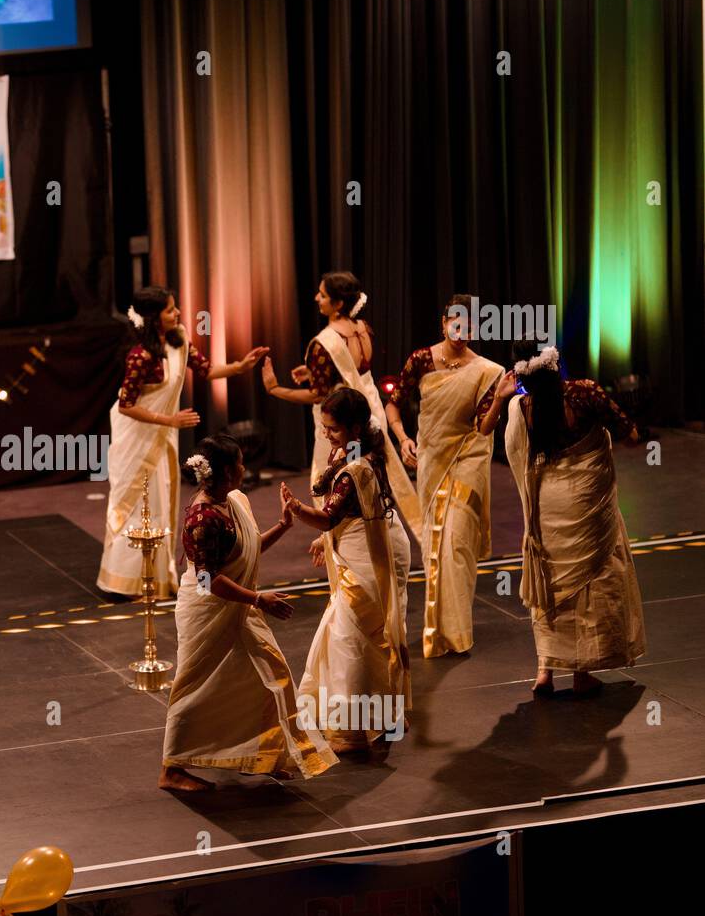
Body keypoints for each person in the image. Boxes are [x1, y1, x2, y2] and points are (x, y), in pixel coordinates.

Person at [160, 434, 337, 791]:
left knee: (267, 678)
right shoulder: (202, 518)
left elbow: (248, 549)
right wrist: (257, 599)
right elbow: (208, 580)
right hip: (209, 612)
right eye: (240, 463)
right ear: (227, 471)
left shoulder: (233, 501)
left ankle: (262, 755)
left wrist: (284, 526)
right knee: (196, 688)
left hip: (238, 606)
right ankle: (172, 768)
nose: (245, 468)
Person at [483, 346, 645, 696]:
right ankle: (581, 675)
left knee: (550, 582)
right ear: (554, 362)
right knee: (589, 584)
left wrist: (500, 398)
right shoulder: (585, 393)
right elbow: (629, 434)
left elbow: (486, 431)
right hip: (586, 502)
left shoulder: (521, 407)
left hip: (548, 505)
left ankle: (545, 670)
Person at [98, 285, 268, 597]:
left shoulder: (179, 339)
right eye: (170, 310)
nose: (178, 313)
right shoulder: (141, 356)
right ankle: (122, 581)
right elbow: (126, 405)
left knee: (161, 500)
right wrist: (170, 420)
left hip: (162, 434)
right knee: (134, 503)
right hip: (136, 436)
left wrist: (240, 367)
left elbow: (207, 370)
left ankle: (155, 579)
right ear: (153, 317)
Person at [281, 388, 411, 753]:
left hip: (371, 554)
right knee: (367, 636)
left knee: (350, 637)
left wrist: (295, 509)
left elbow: (328, 517)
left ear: (355, 428)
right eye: (324, 427)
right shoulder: (355, 452)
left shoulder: (356, 467)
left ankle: (352, 732)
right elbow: (350, 510)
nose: (326, 434)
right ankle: (385, 717)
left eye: (333, 429)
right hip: (372, 541)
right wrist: (326, 540)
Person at [262, 271, 423, 541]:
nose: (317, 298)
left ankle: (339, 537)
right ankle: (371, 527)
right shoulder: (363, 328)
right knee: (365, 472)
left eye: (323, 295)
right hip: (369, 409)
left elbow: (318, 395)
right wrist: (312, 371)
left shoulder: (325, 341)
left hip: (341, 418)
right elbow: (353, 369)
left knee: (333, 476)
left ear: (337, 304)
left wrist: (274, 389)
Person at [384, 295, 503, 657]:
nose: (462, 330)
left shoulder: (487, 371)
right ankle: (441, 631)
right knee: (435, 547)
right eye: (457, 322)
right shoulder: (421, 360)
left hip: (468, 460)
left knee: (456, 543)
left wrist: (500, 399)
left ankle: (456, 632)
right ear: (444, 322)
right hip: (432, 461)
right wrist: (403, 438)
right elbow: (394, 403)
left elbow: (484, 428)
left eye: (470, 325)